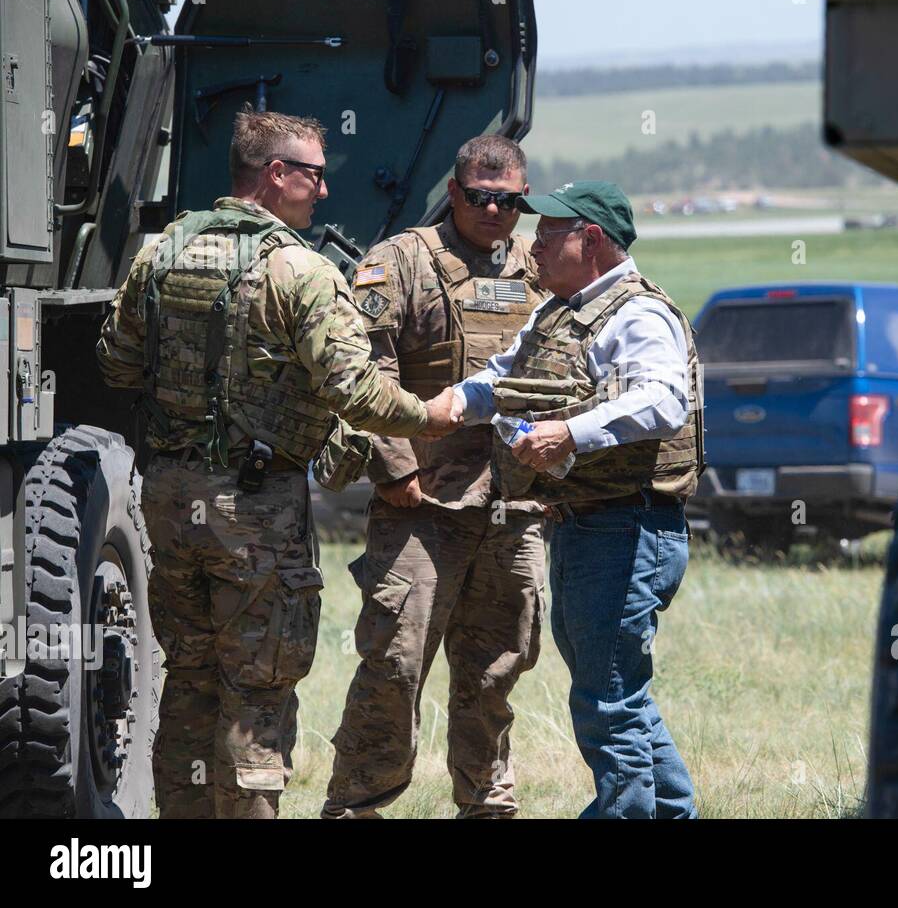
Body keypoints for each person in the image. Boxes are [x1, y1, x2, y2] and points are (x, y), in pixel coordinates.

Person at [96, 108, 453, 819]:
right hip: (255, 512)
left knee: (190, 679)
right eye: (314, 175)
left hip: (168, 499)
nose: (323, 192)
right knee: (258, 690)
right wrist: (431, 415)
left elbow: (115, 362)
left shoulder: (161, 252)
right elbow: (355, 391)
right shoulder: (303, 270)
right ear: (276, 173)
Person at [428, 180, 704, 818]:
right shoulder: (561, 310)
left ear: (594, 240)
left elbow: (664, 400)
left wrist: (569, 433)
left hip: (627, 530)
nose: (535, 243)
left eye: (551, 232)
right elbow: (505, 380)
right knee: (614, 692)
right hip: (587, 529)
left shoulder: (638, 314)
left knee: (606, 698)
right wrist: (446, 407)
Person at [323, 135, 548, 819]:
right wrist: (392, 469)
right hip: (421, 504)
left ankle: (488, 804)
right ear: (454, 193)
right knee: (393, 665)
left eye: (510, 202)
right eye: (481, 198)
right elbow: (367, 369)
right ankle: (356, 804)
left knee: (496, 671)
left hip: (512, 505)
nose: (495, 212)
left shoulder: (538, 271)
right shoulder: (399, 262)